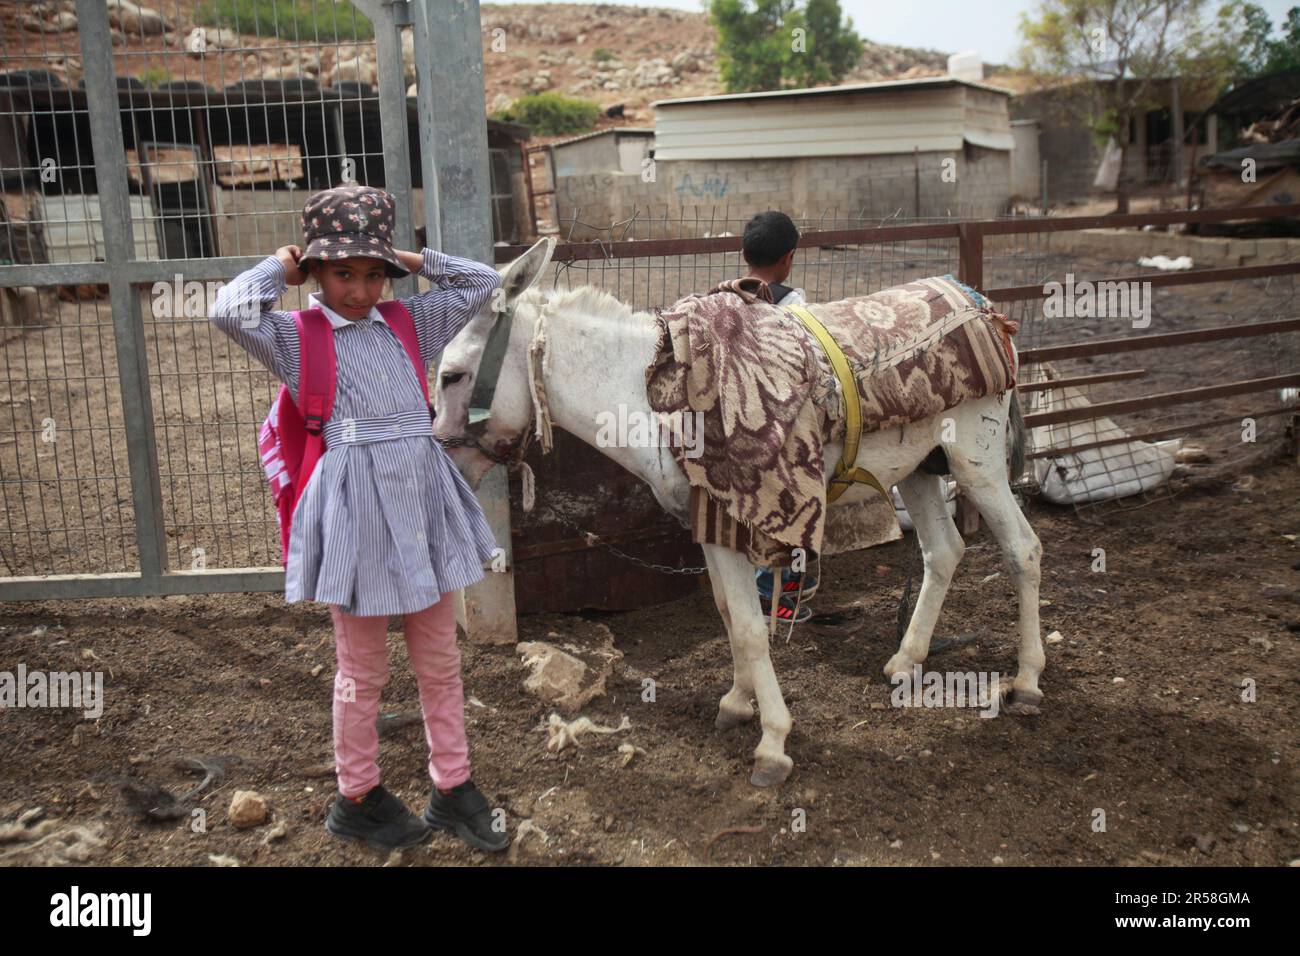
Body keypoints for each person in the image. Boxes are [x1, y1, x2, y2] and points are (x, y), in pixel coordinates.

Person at [209, 184, 509, 853]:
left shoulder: (407, 323)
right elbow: (228, 311)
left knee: (439, 658)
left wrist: (408, 257)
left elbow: (486, 282)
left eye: (373, 274)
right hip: (354, 513)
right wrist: (280, 266)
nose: (360, 288)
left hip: (421, 503)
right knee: (362, 670)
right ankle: (357, 794)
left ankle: (452, 786)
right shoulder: (295, 337)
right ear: (314, 271)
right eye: (343, 272)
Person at [740, 211, 818, 622]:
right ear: (789, 257)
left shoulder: (725, 301)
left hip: (736, 435)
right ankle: (777, 599)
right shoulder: (795, 308)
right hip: (783, 436)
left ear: (743, 254)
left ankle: (773, 588)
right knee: (794, 516)